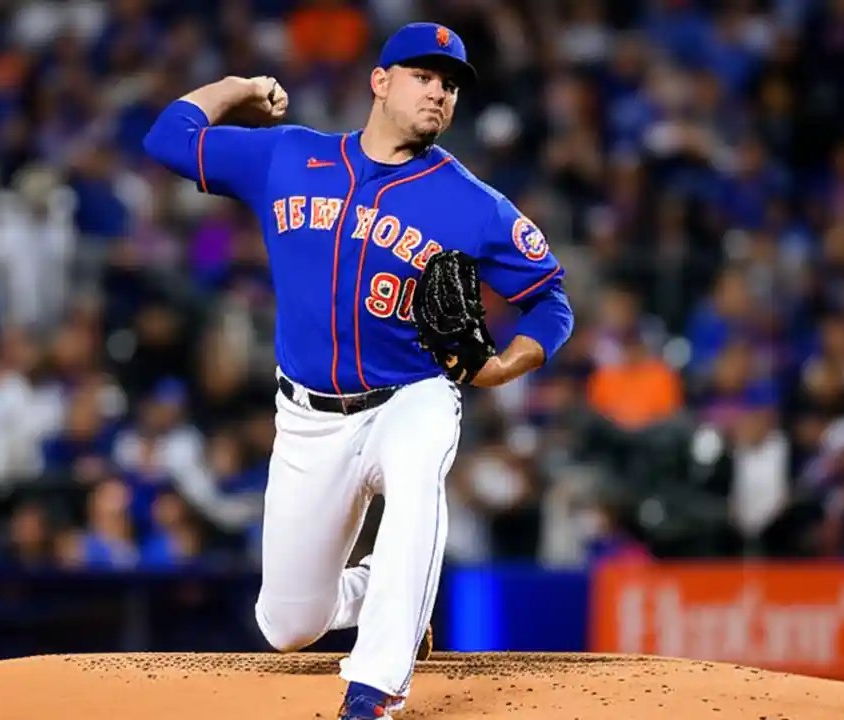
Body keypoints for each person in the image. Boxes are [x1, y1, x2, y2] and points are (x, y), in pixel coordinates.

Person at [142, 22, 574, 720]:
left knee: (418, 482)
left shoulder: (472, 203)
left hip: (412, 394)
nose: (441, 92)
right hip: (309, 417)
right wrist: (242, 88)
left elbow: (551, 303)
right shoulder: (289, 156)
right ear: (381, 81)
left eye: (452, 84)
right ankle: (390, 591)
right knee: (288, 625)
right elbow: (166, 138)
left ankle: (374, 690)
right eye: (425, 76)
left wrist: (502, 367)